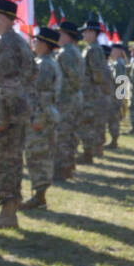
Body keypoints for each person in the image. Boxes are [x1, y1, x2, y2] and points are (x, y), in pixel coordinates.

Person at [0, 0, 37, 228]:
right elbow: (31, 74)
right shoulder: (18, 41)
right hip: (19, 112)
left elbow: (7, 85)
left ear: (3, 17)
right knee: (12, 161)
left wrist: (1, 117)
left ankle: (7, 212)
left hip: (8, 114)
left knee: (4, 163)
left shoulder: (7, 44)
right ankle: (9, 211)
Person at [22, 26, 63, 210]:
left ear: (45, 45)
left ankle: (39, 197)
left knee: (38, 156)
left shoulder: (45, 65)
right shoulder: (45, 62)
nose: (34, 43)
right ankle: (38, 195)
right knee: (37, 155)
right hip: (45, 114)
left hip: (42, 116)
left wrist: (37, 117)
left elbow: (42, 94)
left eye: (37, 41)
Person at [54, 20, 84, 180]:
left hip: (66, 98)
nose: (58, 36)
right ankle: (69, 165)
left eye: (61, 33)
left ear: (68, 36)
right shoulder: (76, 51)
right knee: (71, 133)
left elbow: (71, 77)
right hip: (75, 96)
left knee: (63, 135)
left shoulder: (65, 53)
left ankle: (62, 169)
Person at [79, 18, 108, 161]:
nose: (83, 35)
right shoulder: (92, 48)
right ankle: (90, 151)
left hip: (90, 92)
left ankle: (88, 153)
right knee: (88, 122)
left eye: (85, 32)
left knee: (88, 122)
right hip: (89, 91)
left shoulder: (93, 49)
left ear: (92, 33)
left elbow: (98, 74)